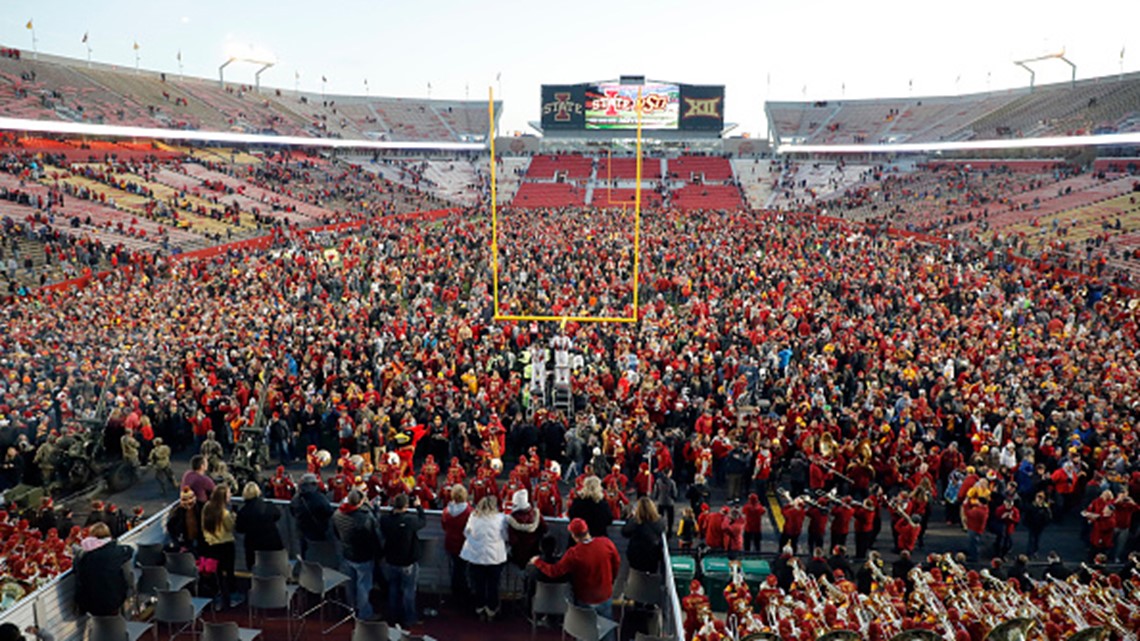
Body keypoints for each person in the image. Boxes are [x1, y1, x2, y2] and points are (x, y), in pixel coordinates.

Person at [530, 518, 622, 641]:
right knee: (607, 630)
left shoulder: (574, 553)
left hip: (585, 599)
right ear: (587, 530)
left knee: (584, 632)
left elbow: (554, 572)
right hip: (605, 594)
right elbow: (616, 563)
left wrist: (537, 562)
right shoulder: (606, 543)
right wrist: (611, 580)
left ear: (573, 535)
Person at [332, 489, 381, 621]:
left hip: (347, 554)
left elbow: (336, 533)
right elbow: (374, 537)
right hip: (363, 556)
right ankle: (364, 614)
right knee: (363, 586)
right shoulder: (365, 518)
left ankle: (351, 609)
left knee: (350, 585)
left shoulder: (337, 514)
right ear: (360, 502)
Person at [379, 493, 426, 628]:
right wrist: (419, 507)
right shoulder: (411, 521)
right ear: (406, 506)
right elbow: (423, 521)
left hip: (391, 560)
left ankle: (393, 617)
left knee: (393, 589)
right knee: (408, 591)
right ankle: (409, 618)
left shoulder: (385, 520)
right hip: (407, 562)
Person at [461, 495, 509, 621]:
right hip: (495, 557)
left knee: (478, 584)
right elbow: (505, 535)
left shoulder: (473, 517)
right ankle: (491, 610)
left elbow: (466, 532)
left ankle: (480, 608)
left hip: (476, 556)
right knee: (493, 585)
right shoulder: (501, 518)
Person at [74, 522, 133, 616]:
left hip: (90, 603)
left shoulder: (84, 557)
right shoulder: (116, 551)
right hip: (113, 600)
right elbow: (129, 551)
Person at [202, 484, 241, 610]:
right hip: (225, 545)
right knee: (229, 572)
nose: (230, 496)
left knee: (216, 573)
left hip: (210, 545)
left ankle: (218, 598)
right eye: (229, 494)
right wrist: (233, 517)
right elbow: (230, 527)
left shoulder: (206, 508)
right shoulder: (224, 513)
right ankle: (233, 597)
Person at [235, 481, 284, 571]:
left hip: (253, 547)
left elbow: (239, 529)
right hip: (272, 545)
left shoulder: (243, 512)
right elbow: (278, 515)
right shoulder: (268, 506)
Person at [441, 484, 473, 601]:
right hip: (464, 544)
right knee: (463, 570)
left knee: (455, 569)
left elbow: (444, 526)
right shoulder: (469, 511)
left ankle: (456, 591)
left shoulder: (446, 511)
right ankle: (463, 594)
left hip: (450, 543)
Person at [290, 473, 334, 557]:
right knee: (320, 554)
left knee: (306, 553)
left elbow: (292, 511)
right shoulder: (319, 498)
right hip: (317, 532)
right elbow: (329, 511)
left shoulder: (295, 498)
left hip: (302, 532)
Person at [622, 497, 665, 573]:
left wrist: (629, 518)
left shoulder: (635, 522)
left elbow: (625, 532)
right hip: (652, 557)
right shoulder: (659, 521)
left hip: (636, 558)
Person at [507, 488, 546, 570]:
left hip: (518, 552)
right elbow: (544, 529)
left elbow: (512, 539)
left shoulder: (513, 518)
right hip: (534, 550)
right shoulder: (536, 514)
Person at [167, 486, 202, 552]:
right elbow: (171, 529)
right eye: (185, 500)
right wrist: (179, 545)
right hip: (186, 542)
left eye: (190, 501)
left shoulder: (200, 508)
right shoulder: (177, 512)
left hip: (199, 540)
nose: (188, 504)